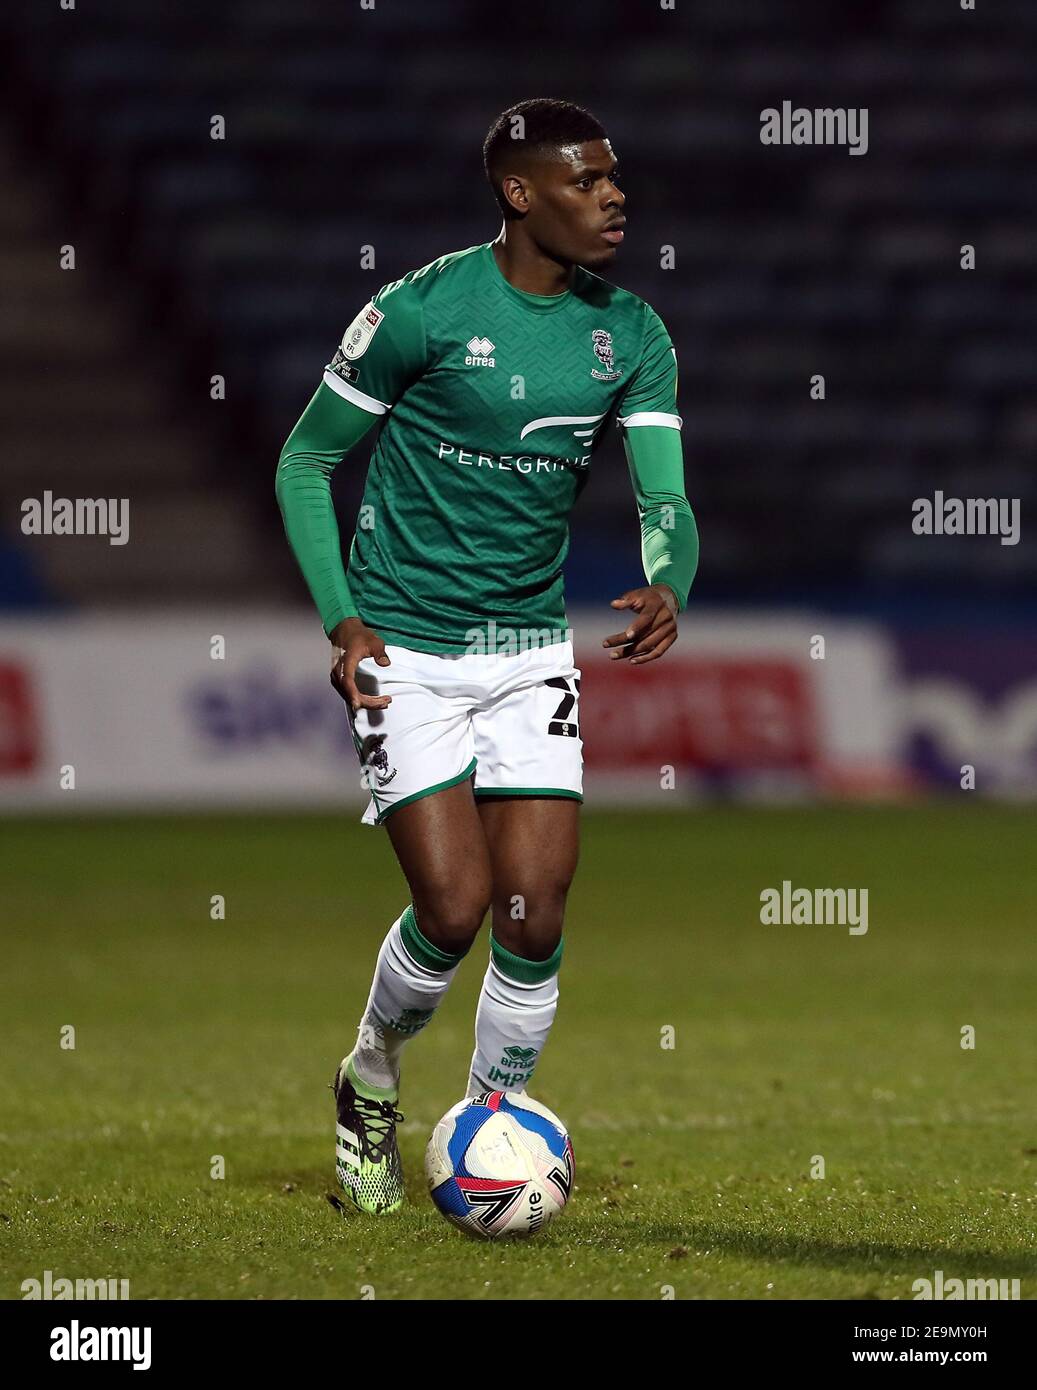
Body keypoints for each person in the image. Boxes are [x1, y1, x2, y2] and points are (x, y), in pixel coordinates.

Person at [276, 98, 698, 1214]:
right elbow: (304, 462)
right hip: (406, 648)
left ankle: (486, 1125)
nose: (614, 197)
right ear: (520, 194)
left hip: (526, 651)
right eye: (586, 181)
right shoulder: (421, 310)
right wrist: (341, 617)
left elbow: (665, 498)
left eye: (615, 178)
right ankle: (369, 1074)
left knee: (534, 912)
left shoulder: (632, 334)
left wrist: (670, 579)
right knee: (454, 908)